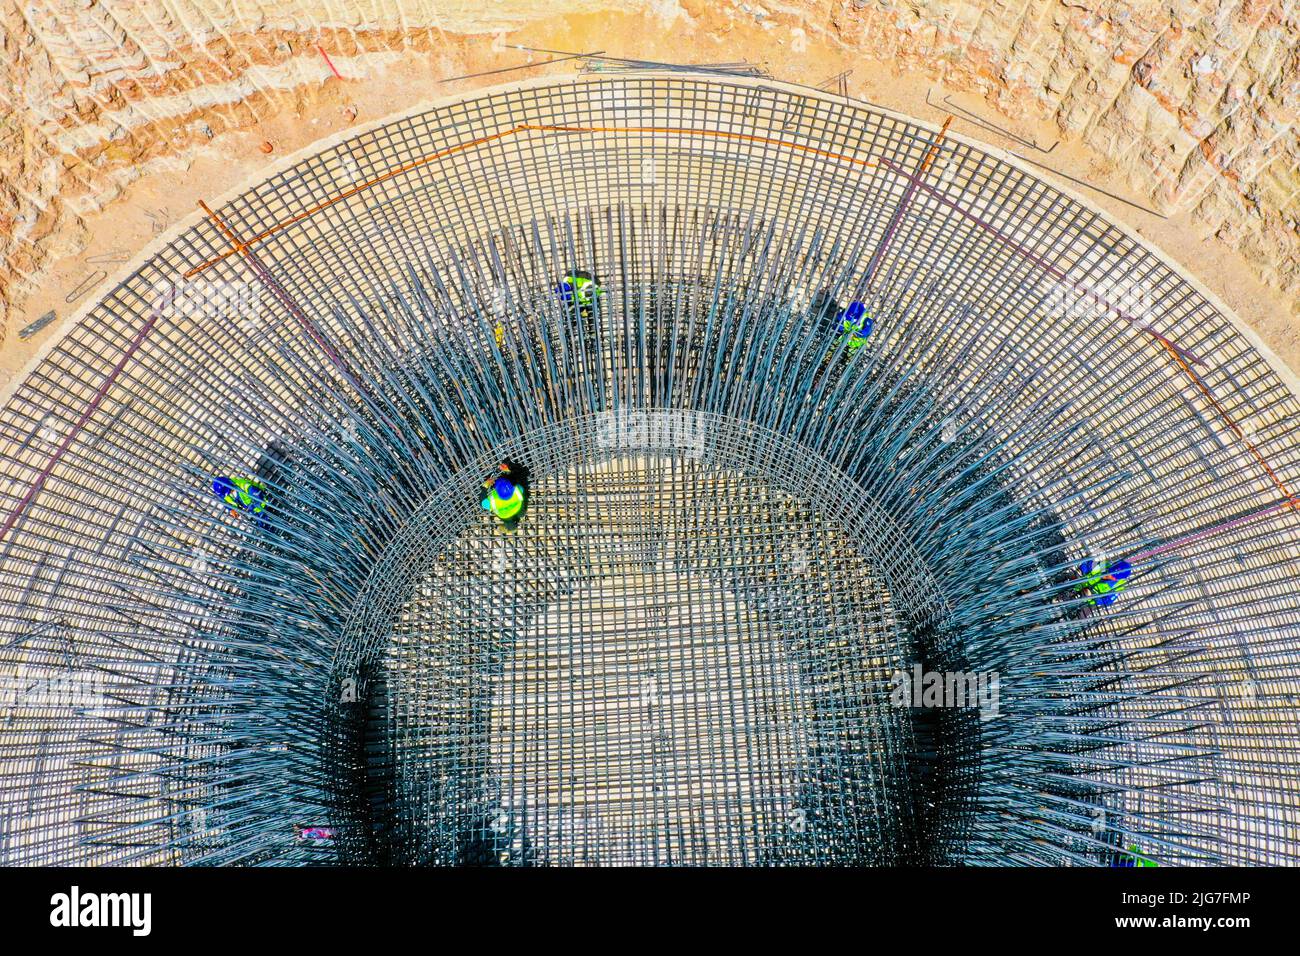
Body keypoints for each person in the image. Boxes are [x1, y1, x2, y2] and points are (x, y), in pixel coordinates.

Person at [480, 461, 529, 529]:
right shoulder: (517, 490)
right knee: (520, 478)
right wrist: (485, 486)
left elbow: (483, 502)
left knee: (521, 478)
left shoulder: (517, 492)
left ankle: (507, 469)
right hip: (517, 507)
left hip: (507, 515)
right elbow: (483, 504)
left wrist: (485, 487)